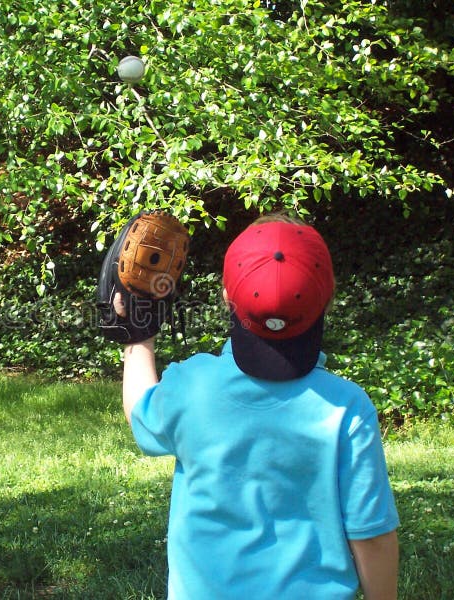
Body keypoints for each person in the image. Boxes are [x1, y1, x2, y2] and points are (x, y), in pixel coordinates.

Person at [115, 213, 400, 599]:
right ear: (328, 296)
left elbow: (140, 414)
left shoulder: (192, 386)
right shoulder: (346, 409)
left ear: (225, 295)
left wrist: (138, 334)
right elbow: (372, 535)